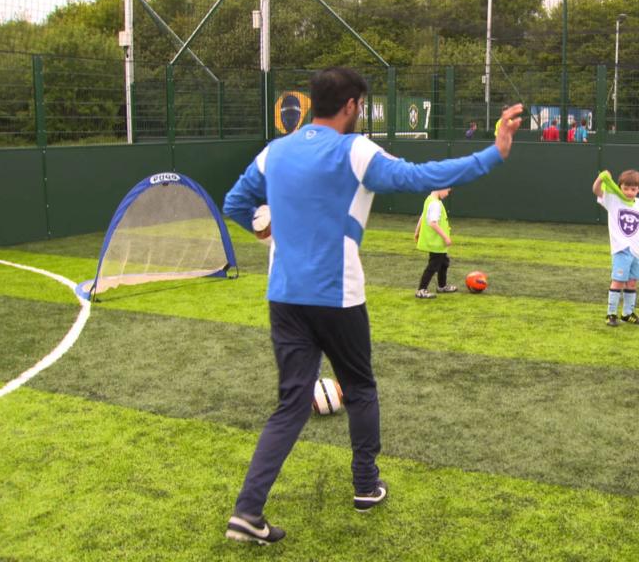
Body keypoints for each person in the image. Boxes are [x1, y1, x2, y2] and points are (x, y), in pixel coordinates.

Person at [221, 66, 524, 545]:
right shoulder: (356, 149)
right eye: (361, 105)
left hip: (284, 298)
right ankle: (366, 486)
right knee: (359, 388)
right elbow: (422, 176)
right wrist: (495, 153)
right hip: (337, 295)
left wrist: (264, 230)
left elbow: (235, 203)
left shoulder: (274, 151)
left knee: (290, 406)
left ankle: (247, 511)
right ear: (352, 106)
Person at [591, 169, 639, 326]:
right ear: (619, 186)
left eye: (633, 189)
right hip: (622, 249)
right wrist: (600, 179)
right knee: (618, 281)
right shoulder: (613, 199)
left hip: (637, 251)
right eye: (626, 188)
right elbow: (596, 190)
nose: (629, 192)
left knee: (632, 282)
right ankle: (611, 314)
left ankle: (628, 313)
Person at [413, 188, 458, 298]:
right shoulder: (435, 204)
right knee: (433, 266)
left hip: (437, 242)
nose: (448, 194)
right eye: (448, 191)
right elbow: (433, 223)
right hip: (436, 242)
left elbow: (423, 216)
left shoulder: (429, 199)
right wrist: (446, 237)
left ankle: (442, 286)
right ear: (441, 187)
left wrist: (417, 231)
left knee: (444, 263)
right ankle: (421, 290)